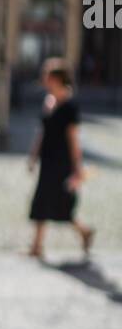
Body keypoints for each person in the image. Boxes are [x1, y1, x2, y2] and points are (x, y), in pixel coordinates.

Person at [27, 59, 94, 260]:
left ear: (56, 79)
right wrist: (33, 156)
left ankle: (84, 231)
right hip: (48, 161)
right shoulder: (49, 101)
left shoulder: (69, 107)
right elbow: (42, 132)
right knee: (41, 201)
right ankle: (37, 246)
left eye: (47, 75)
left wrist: (77, 168)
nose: (43, 79)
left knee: (62, 205)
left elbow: (74, 140)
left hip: (62, 163)